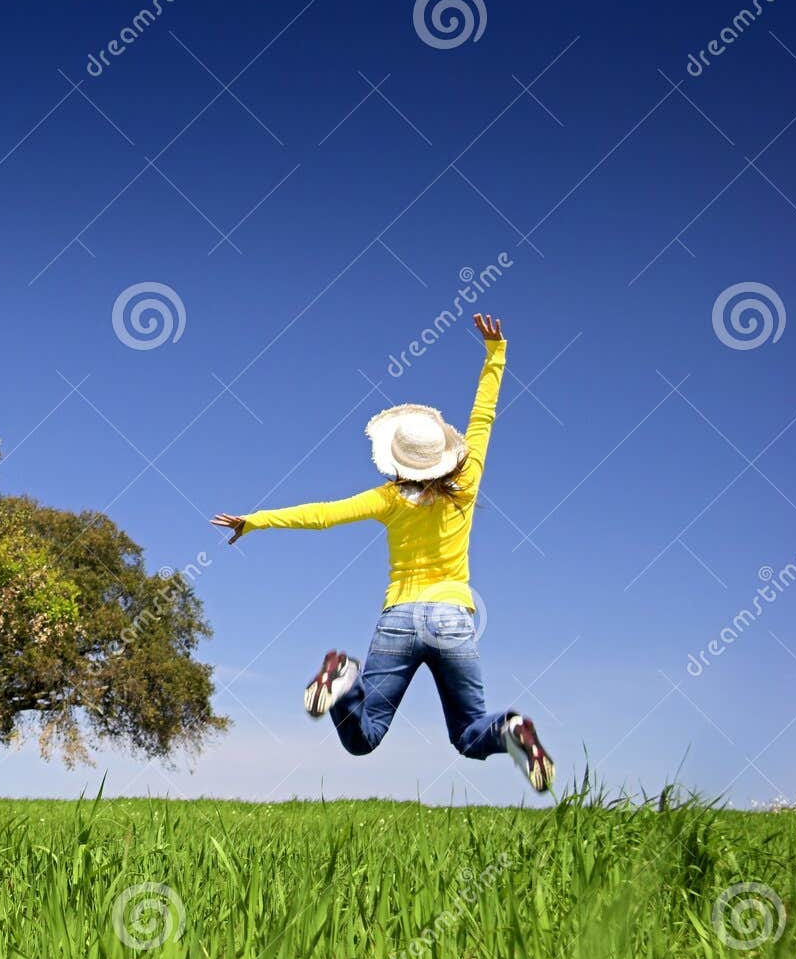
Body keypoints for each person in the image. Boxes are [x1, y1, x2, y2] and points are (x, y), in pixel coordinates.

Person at [211, 313, 554, 793]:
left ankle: (345, 683)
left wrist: (255, 520)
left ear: (397, 460)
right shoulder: (467, 482)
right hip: (453, 618)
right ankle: (508, 729)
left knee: (364, 736)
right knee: (470, 733)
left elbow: (322, 514)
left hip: (400, 619)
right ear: (446, 455)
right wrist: (495, 354)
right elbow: (483, 417)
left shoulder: (389, 499)